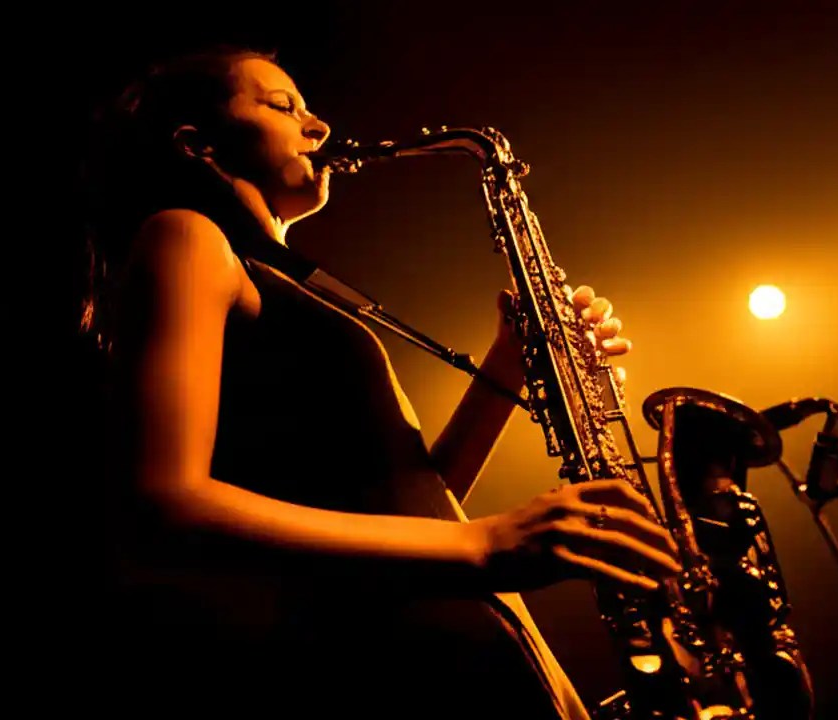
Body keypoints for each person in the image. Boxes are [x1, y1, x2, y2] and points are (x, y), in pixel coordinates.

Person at [76, 45, 681, 715]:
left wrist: (509, 362)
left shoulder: (291, 287)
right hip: (383, 666)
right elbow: (162, 500)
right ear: (196, 144)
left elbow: (415, 495)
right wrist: (481, 543)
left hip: (476, 663)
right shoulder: (185, 236)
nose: (321, 127)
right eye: (282, 106)